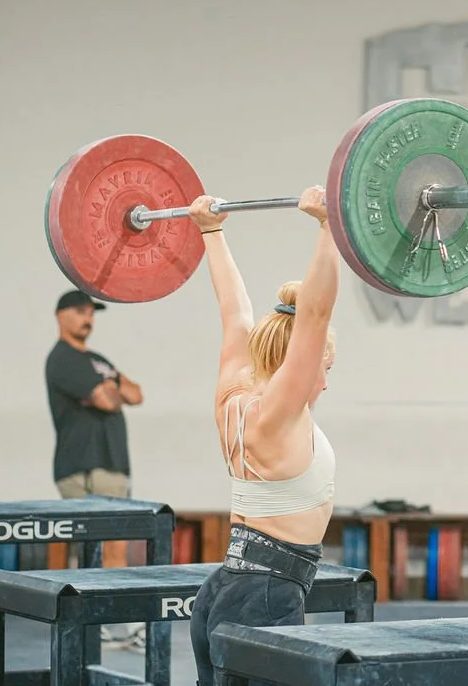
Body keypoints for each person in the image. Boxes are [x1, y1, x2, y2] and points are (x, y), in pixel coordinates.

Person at [187, 186, 339, 686]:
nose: (325, 380)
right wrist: (328, 227)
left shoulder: (234, 395)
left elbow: (235, 314)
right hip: (266, 596)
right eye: (325, 366)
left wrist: (211, 232)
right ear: (305, 359)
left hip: (226, 587)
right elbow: (315, 313)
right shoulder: (279, 412)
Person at [45, 288, 145, 649]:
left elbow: (136, 394)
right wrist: (110, 389)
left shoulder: (97, 359)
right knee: (103, 548)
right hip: (85, 465)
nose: (88, 318)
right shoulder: (63, 359)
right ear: (62, 316)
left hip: (112, 464)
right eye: (80, 311)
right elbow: (109, 402)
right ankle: (106, 626)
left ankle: (105, 624)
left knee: (109, 547)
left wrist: (110, 385)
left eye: (91, 312)